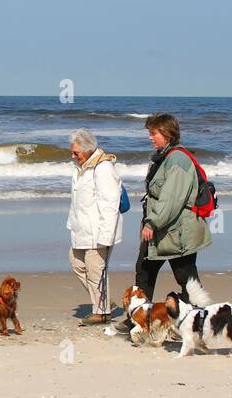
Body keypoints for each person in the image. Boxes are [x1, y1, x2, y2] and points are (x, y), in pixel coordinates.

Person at [135, 113, 209, 303]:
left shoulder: (177, 160)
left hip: (176, 231)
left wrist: (152, 223)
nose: (150, 137)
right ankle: (139, 320)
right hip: (166, 229)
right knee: (146, 271)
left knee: (186, 278)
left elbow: (171, 199)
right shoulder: (164, 157)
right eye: (149, 133)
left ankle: (200, 320)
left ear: (167, 134)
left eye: (154, 133)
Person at [66, 128, 123, 325]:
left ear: (89, 149)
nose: (73, 156)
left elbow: (110, 204)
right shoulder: (81, 168)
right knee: (75, 262)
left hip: (98, 232)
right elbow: (76, 202)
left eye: (76, 153)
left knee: (95, 270)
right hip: (81, 229)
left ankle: (101, 312)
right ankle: (103, 301)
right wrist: (71, 225)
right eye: (72, 152)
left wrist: (105, 237)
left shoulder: (103, 168)